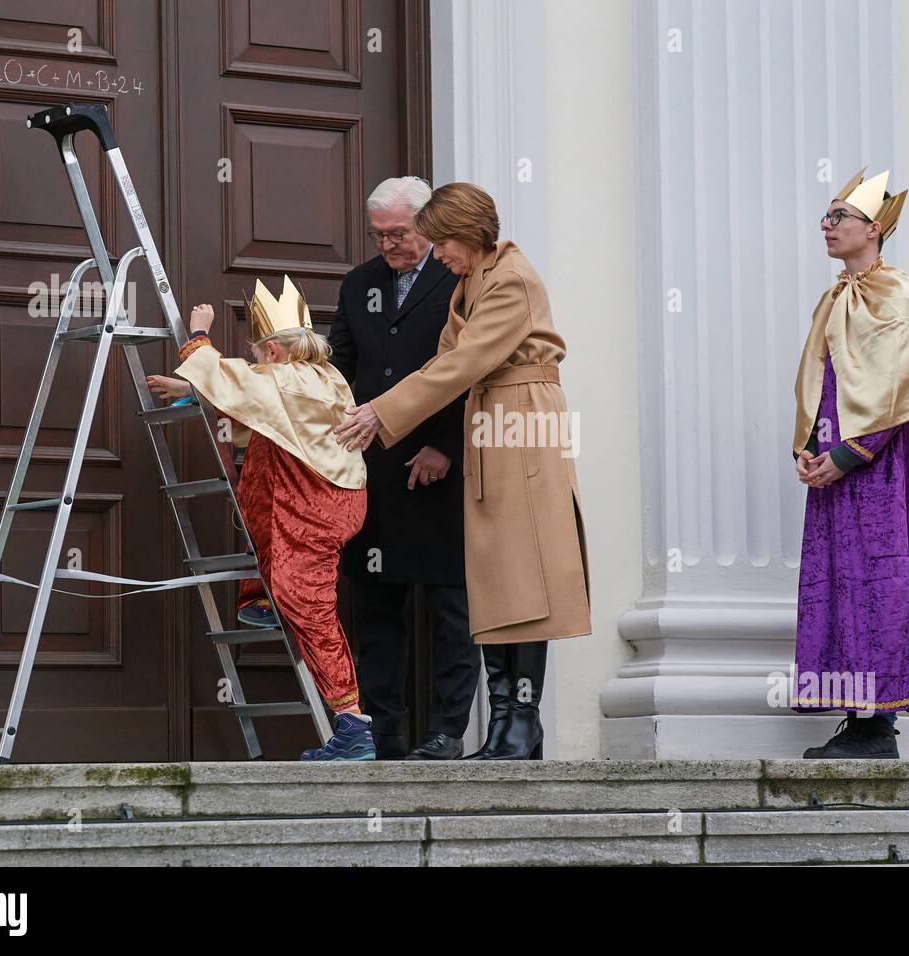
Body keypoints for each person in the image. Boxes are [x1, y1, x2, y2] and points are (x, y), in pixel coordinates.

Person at [333, 182, 591, 760]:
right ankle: (509, 727)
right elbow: (445, 361)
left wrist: (382, 412)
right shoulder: (475, 279)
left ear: (465, 235)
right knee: (498, 576)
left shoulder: (510, 279)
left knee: (522, 572)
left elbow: (463, 363)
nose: (435, 253)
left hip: (520, 423)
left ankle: (519, 724)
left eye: (439, 241)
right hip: (491, 422)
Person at [151, 276, 373, 760]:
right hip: (309, 495)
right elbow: (263, 412)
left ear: (272, 352)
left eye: (256, 353)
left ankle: (353, 725)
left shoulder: (288, 378)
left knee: (309, 606)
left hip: (316, 505)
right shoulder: (320, 377)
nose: (253, 360)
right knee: (259, 502)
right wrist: (193, 392)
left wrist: (199, 336)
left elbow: (244, 386)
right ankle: (262, 599)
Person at [327, 176, 480, 761]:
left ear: (429, 226)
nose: (388, 245)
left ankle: (447, 731)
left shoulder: (459, 279)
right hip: (374, 471)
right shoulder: (359, 283)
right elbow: (342, 364)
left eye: (400, 234)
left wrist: (445, 445)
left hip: (440, 469)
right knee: (376, 607)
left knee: (451, 607)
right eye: (379, 236)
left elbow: (471, 370)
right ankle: (383, 732)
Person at [791, 169, 909, 759]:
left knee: (877, 577)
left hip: (876, 467)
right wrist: (807, 446)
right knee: (836, 576)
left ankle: (880, 725)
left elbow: (903, 387)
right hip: (832, 462)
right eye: (826, 216)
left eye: (839, 217)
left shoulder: (893, 293)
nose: (827, 226)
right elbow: (820, 380)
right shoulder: (833, 297)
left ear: (874, 229)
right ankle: (855, 716)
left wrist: (849, 454)